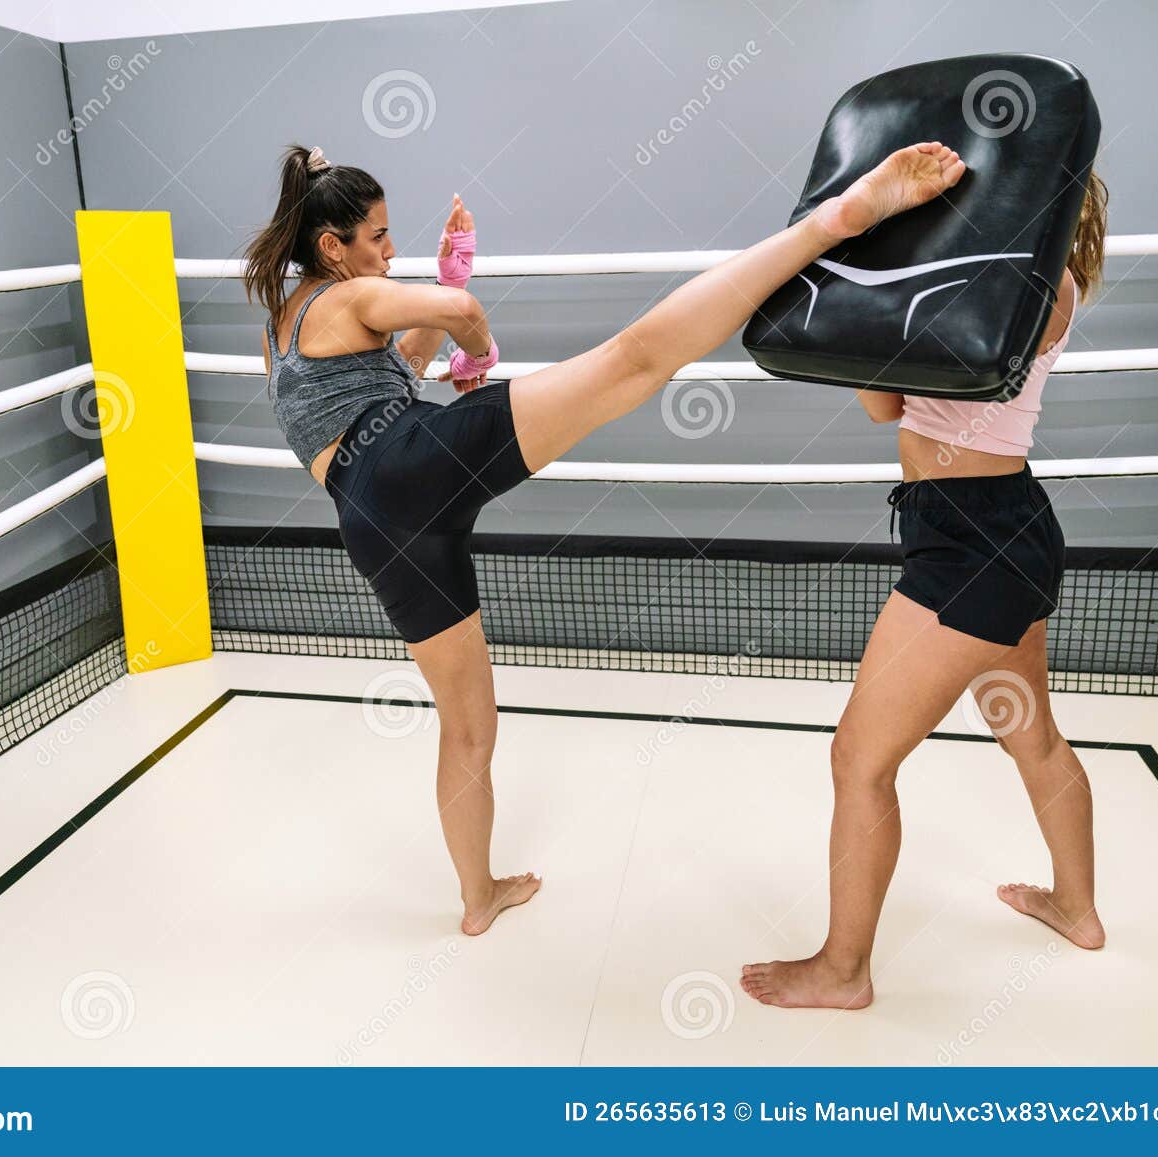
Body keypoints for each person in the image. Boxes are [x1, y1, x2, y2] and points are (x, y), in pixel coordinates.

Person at [245, 140, 967, 935]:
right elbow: (453, 324)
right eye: (378, 238)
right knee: (632, 362)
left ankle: (477, 898)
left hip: (374, 519)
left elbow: (391, 366)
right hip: (408, 462)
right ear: (331, 247)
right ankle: (832, 225)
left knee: (467, 726)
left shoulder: (287, 325)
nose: (391, 251)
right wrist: (477, 346)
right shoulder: (343, 300)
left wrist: (451, 283)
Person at [742, 171, 1112, 1009]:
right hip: (969, 532)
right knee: (1033, 735)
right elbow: (885, 405)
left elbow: (960, 356)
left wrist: (900, 269)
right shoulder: (968, 276)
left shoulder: (1042, 284)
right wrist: (871, 262)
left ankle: (843, 970)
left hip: (977, 547)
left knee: (859, 760)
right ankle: (1078, 910)